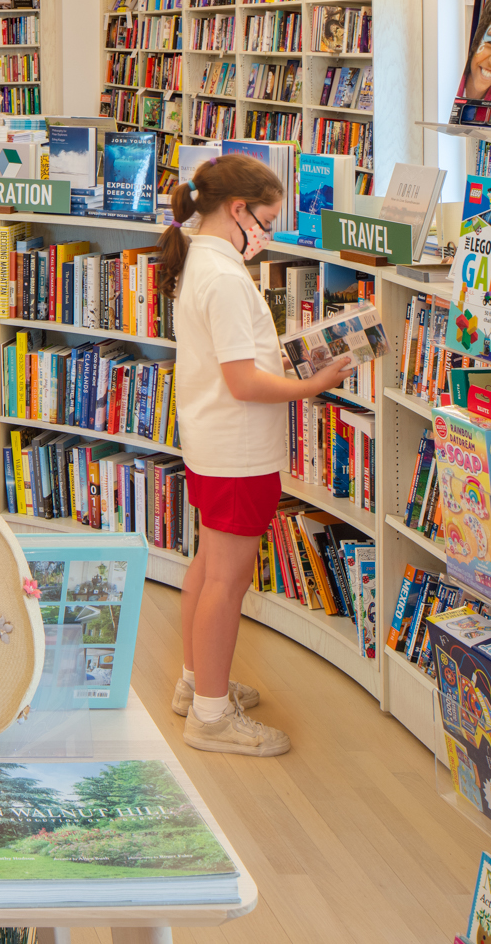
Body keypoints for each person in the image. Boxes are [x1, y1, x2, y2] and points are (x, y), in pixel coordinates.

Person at [159, 154, 353, 757]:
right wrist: (312, 387)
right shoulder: (223, 278)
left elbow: (236, 364)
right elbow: (244, 383)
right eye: (266, 222)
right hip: (237, 451)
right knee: (227, 581)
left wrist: (294, 362)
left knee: (207, 569)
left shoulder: (200, 260)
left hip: (211, 442)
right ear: (237, 210)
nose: (268, 237)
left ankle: (197, 686)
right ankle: (212, 718)